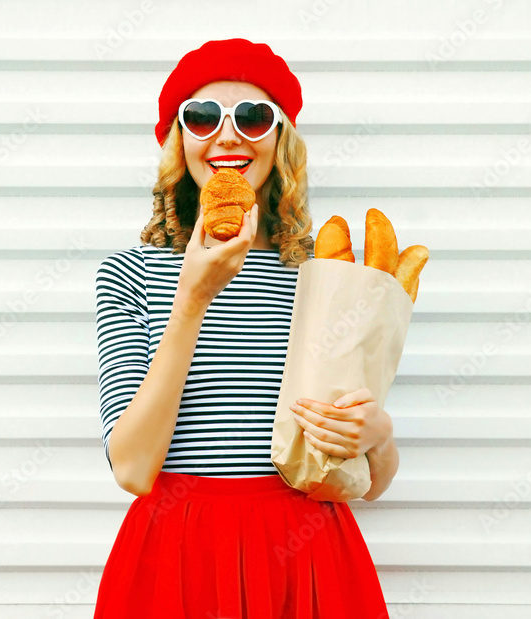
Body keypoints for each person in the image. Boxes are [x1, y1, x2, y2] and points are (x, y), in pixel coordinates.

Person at [93, 38, 396, 619]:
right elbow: (131, 467)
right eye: (202, 117)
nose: (228, 136)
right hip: (175, 552)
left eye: (254, 118)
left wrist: (377, 434)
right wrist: (193, 296)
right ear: (178, 142)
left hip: (306, 552)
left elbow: (366, 481)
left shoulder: (322, 275)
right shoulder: (132, 272)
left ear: (280, 141)